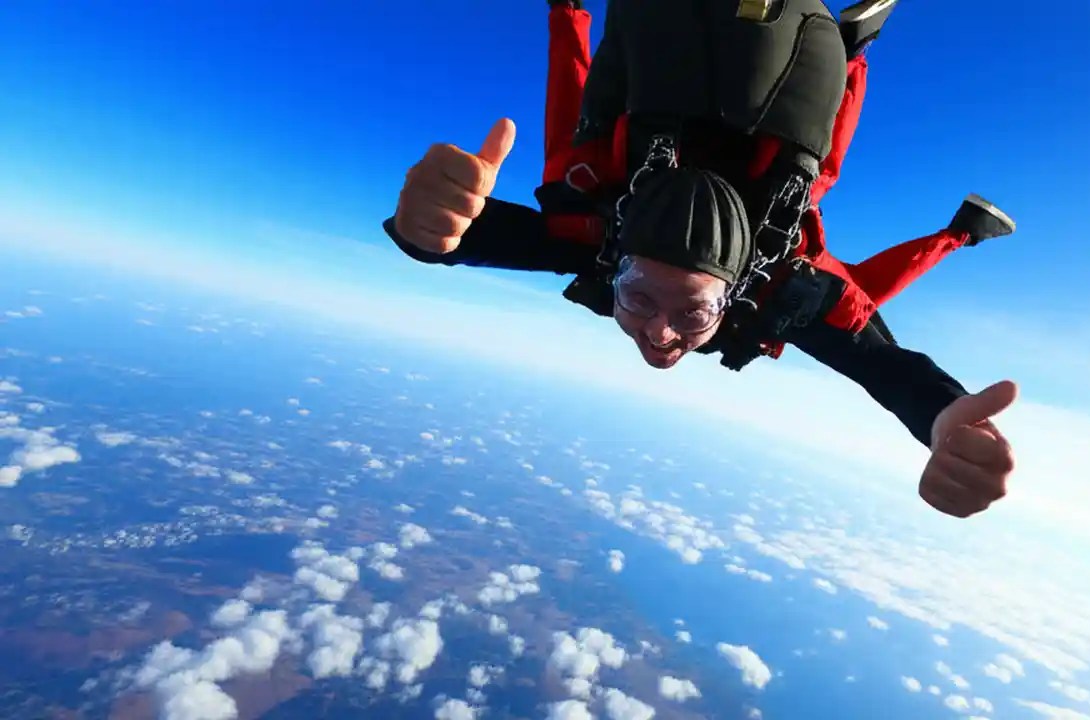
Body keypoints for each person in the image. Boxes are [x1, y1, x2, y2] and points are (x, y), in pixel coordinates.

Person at [383, 0, 1017, 519]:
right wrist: (937, 416)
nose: (660, 333)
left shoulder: (618, 246)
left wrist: (436, 232)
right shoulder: (774, 287)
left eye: (682, 310)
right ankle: (848, 60)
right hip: (761, 224)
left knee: (589, 158)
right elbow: (888, 369)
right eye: (644, 299)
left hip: (697, 155)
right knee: (826, 228)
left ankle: (860, 72)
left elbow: (484, 238)